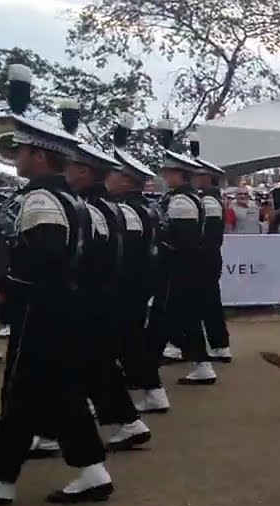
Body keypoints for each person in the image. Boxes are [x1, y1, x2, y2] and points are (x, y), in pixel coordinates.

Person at [0, 64, 113, 506]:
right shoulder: (75, 201)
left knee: (23, 394)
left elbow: (42, 262)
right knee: (59, 393)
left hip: (43, 310)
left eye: (20, 151)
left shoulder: (41, 199)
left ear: (40, 157)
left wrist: (0, 289)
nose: (14, 157)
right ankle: (92, 472)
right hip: (66, 307)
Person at [63, 122, 153, 451]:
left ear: (85, 172)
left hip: (92, 294)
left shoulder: (93, 208)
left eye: (71, 166)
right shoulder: (109, 207)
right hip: (106, 292)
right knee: (96, 360)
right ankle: (125, 421)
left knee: (77, 360)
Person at [104, 116, 168, 414]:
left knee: (124, 340)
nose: (108, 179)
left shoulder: (128, 211)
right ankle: (150, 391)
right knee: (130, 339)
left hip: (127, 285)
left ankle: (146, 393)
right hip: (140, 283)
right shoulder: (146, 208)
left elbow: (124, 252)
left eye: (114, 174)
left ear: (127, 181)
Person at [154, 120, 219, 386]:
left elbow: (182, 240)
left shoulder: (181, 200)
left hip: (180, 268)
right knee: (182, 315)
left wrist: (161, 251)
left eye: (168, 172)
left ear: (179, 174)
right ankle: (199, 363)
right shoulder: (189, 197)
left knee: (172, 316)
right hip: (187, 267)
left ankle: (150, 370)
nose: (164, 175)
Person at [186, 135, 232, 363]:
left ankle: (218, 344)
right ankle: (219, 344)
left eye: (198, 175)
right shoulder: (207, 199)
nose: (194, 179)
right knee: (208, 301)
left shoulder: (209, 201)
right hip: (208, 256)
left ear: (207, 177)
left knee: (205, 301)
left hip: (206, 256)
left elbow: (209, 234)